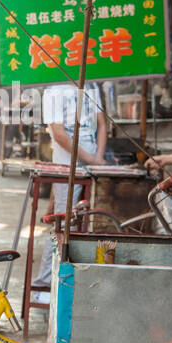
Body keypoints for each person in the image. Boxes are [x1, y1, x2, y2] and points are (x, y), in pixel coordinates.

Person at [33, 81, 107, 287]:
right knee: (62, 222)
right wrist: (91, 159)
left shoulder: (92, 85)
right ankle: (45, 282)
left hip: (93, 158)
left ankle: (80, 280)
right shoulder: (53, 90)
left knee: (92, 221)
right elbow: (59, 134)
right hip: (67, 162)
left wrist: (98, 156)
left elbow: (101, 123)